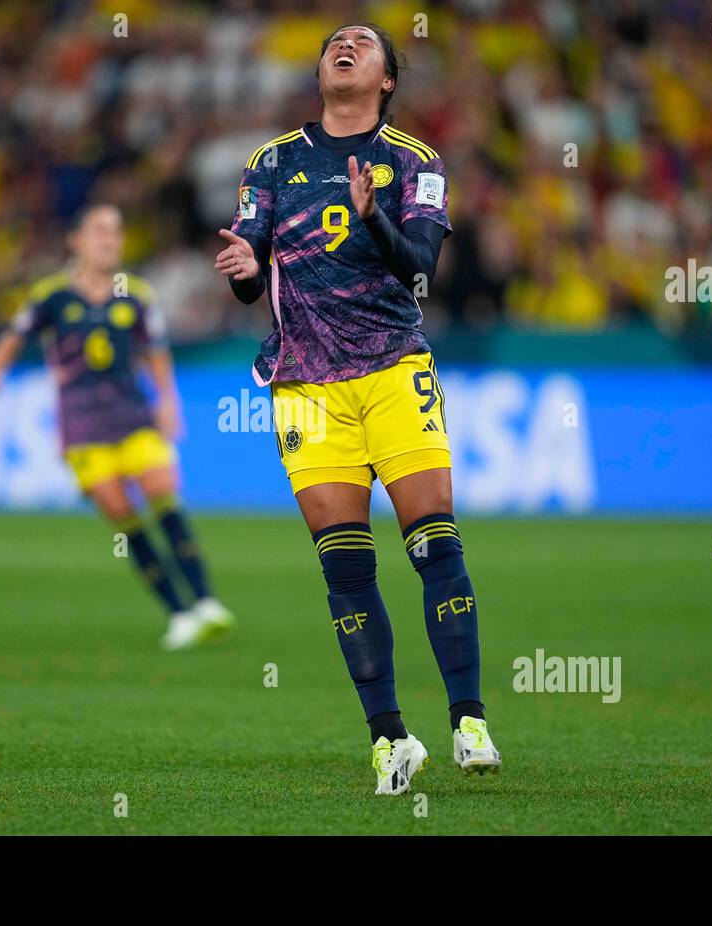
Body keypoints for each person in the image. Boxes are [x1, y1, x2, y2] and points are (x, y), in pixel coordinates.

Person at [213, 24, 501, 794]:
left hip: (391, 367)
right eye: (334, 42)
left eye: (362, 44)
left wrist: (373, 213)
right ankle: (389, 740)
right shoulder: (271, 161)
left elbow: (421, 269)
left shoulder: (415, 161)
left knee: (434, 542)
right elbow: (249, 275)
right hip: (304, 384)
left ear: (386, 79)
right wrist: (245, 267)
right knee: (344, 566)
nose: (344, 47)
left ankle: (468, 717)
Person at [0, 204, 234, 650]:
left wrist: (169, 402)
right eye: (100, 231)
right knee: (126, 521)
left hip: (133, 417)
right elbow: (13, 337)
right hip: (82, 427)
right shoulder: (52, 295)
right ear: (76, 241)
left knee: (165, 501)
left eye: (116, 232)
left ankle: (206, 601)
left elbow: (155, 352)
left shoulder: (135, 294)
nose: (110, 240)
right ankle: (179, 614)